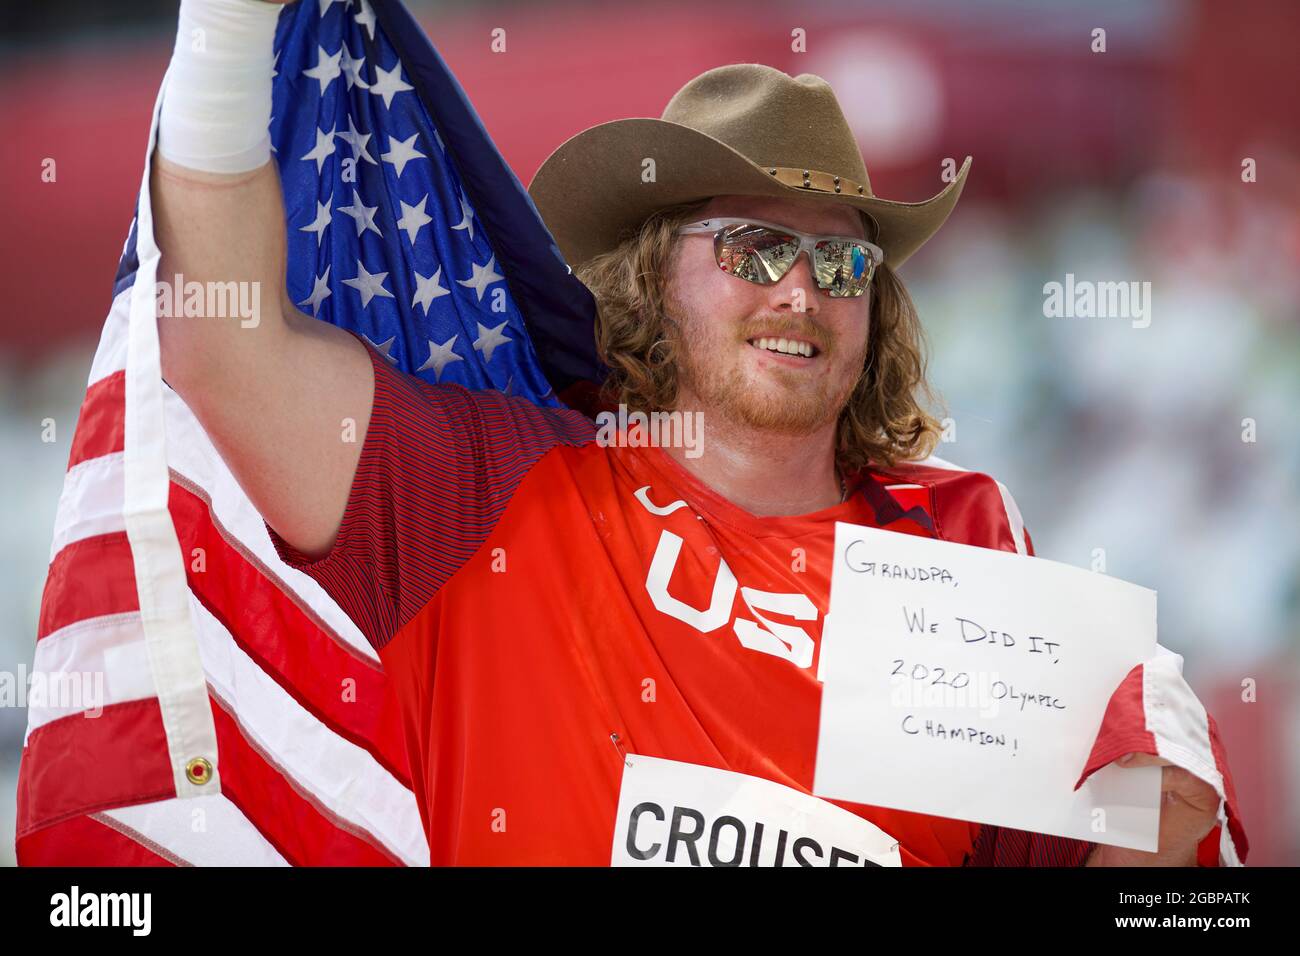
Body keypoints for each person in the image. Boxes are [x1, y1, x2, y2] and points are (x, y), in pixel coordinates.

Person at [152, 0, 1227, 865]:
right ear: (653, 273)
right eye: (754, 248)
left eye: (842, 261)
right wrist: (226, 27)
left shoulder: (959, 542)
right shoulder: (486, 490)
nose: (801, 290)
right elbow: (222, 350)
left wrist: (1161, 825)